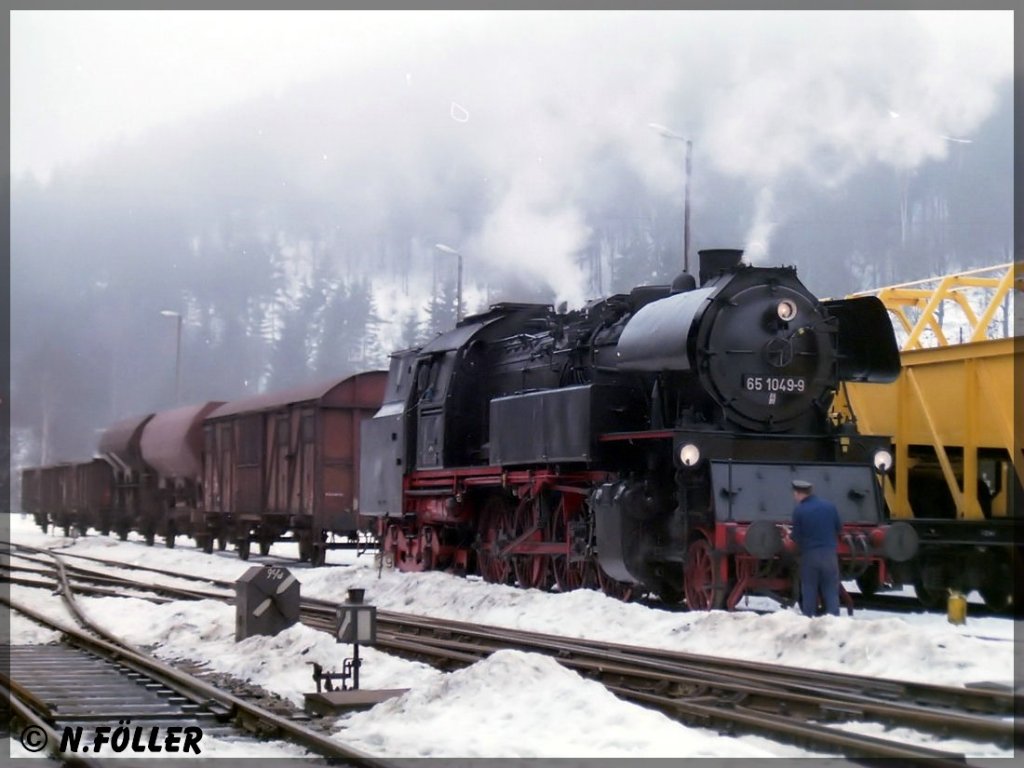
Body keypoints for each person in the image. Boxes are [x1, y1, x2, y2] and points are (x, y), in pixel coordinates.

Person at [790, 479, 842, 617]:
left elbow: (796, 537)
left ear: (799, 493)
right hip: (830, 555)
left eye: (794, 494)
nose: (794, 497)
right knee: (831, 590)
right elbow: (838, 529)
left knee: (809, 589)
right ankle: (835, 620)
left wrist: (789, 534)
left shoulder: (799, 510)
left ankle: (808, 618)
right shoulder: (830, 506)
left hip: (810, 556)